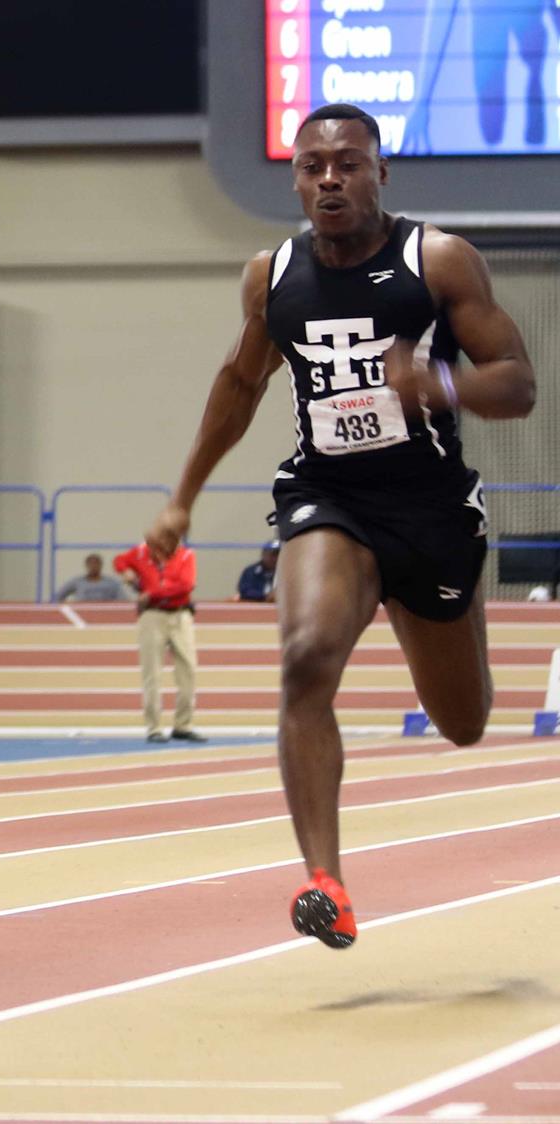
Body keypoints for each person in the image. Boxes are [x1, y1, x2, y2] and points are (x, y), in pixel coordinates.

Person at [145, 103, 535, 950]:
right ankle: (326, 881)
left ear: (379, 173)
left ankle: (450, 603)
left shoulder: (437, 260)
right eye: (313, 166)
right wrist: (183, 497)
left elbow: (517, 381)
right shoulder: (272, 275)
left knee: (463, 722)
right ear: (295, 180)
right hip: (329, 497)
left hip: (430, 508)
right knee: (305, 657)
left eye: (348, 164)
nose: (330, 179)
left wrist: (439, 385)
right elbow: (240, 384)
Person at [113, 539, 205, 744]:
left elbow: (186, 585)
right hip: (152, 616)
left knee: (188, 670)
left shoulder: (185, 555)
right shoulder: (142, 552)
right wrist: (125, 571)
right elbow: (119, 560)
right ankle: (154, 728)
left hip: (180, 615)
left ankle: (183, 725)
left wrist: (151, 593)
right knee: (152, 673)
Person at [54, 553, 126, 602]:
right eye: (91, 563)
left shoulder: (112, 583)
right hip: (81, 614)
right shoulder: (77, 582)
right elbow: (57, 597)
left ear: (101, 565)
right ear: (86, 565)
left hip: (106, 615)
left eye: (96, 563)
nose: (93, 566)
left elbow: (123, 600)